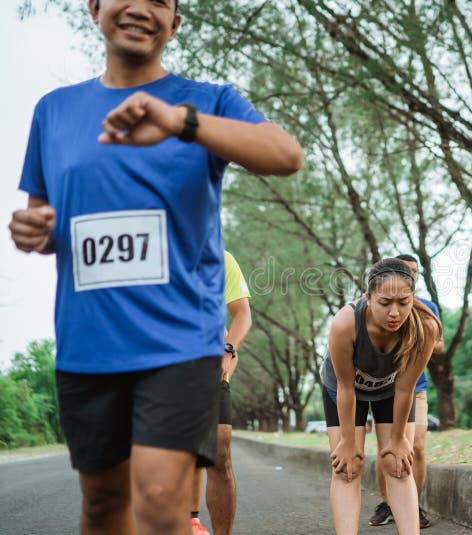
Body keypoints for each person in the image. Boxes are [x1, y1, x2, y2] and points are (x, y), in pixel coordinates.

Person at [8, 0, 302, 533]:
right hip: (89, 343)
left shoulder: (208, 102)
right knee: (102, 506)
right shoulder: (54, 110)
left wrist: (178, 122)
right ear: (94, 8)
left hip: (180, 342)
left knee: (162, 499)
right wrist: (34, 234)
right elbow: (42, 220)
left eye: (161, 1)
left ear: (175, 22)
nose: (141, 8)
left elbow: (285, 154)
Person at [320, 258, 442, 535]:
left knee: (398, 465)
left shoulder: (424, 328)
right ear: (368, 297)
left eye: (403, 301)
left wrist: (398, 440)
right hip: (344, 390)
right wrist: (349, 442)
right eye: (385, 302)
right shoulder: (345, 324)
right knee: (347, 468)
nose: (395, 312)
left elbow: (405, 387)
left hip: (391, 390)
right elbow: (346, 387)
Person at [370, 254, 444, 530]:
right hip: (381, 386)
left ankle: (413, 504)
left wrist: (418, 337)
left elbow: (439, 345)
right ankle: (387, 502)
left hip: (415, 385)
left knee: (416, 446)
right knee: (385, 449)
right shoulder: (383, 305)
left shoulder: (426, 307)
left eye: (416, 271)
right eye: (407, 270)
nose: (412, 274)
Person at [190, 251, 252, 535]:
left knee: (219, 450)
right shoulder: (148, 250)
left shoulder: (219, 257)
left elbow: (242, 313)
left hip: (209, 362)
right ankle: (189, 520)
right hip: (159, 363)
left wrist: (228, 350)